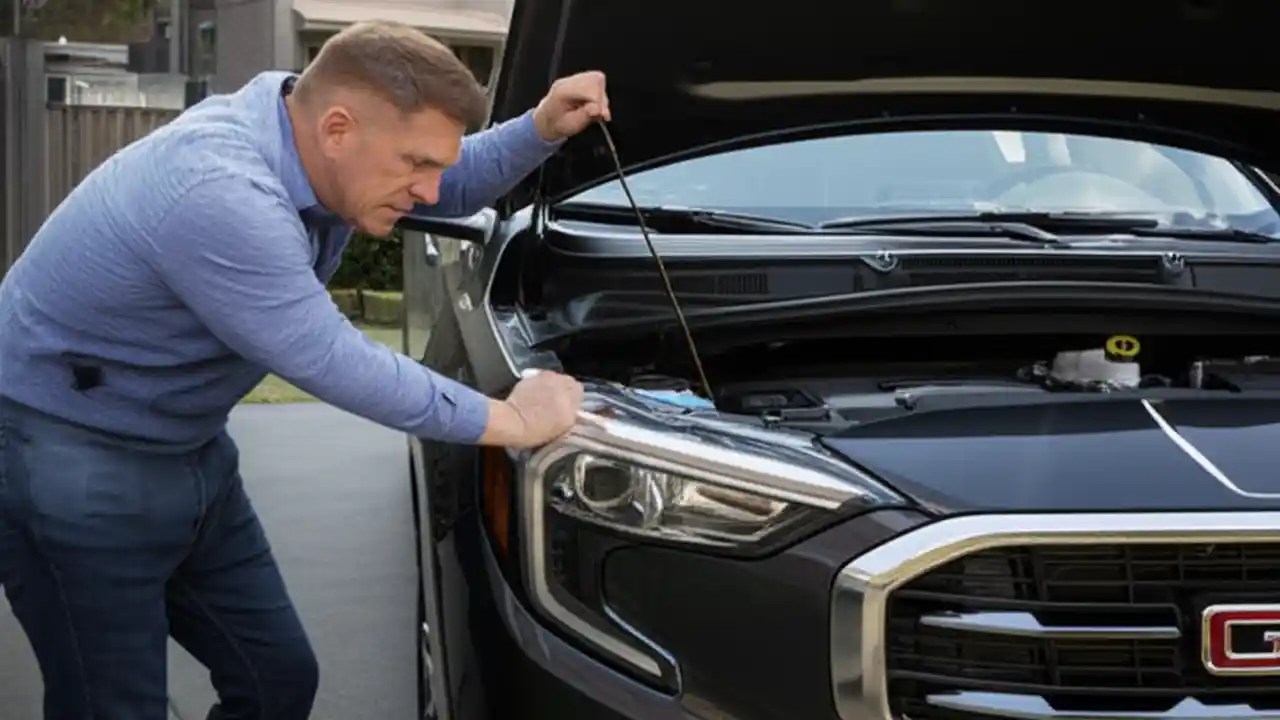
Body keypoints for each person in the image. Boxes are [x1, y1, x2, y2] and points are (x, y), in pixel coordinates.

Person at [0, 19, 598, 720]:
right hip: (67, 460)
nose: (429, 192)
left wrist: (541, 128)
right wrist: (514, 420)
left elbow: (455, 179)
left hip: (190, 452)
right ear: (338, 129)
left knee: (276, 679)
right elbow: (329, 358)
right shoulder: (219, 190)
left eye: (431, 165)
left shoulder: (310, 135)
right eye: (414, 165)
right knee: (112, 706)